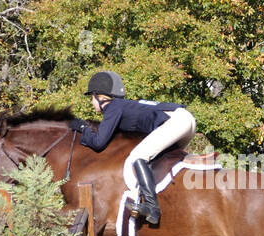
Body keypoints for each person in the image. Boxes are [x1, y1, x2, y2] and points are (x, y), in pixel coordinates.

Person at [68, 71, 196, 225]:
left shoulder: (113, 107)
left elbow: (98, 143)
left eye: (92, 98)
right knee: (158, 161)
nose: (91, 102)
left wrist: (82, 127)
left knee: (137, 156)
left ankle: (152, 207)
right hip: (185, 120)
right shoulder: (122, 106)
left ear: (101, 97)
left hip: (177, 122)